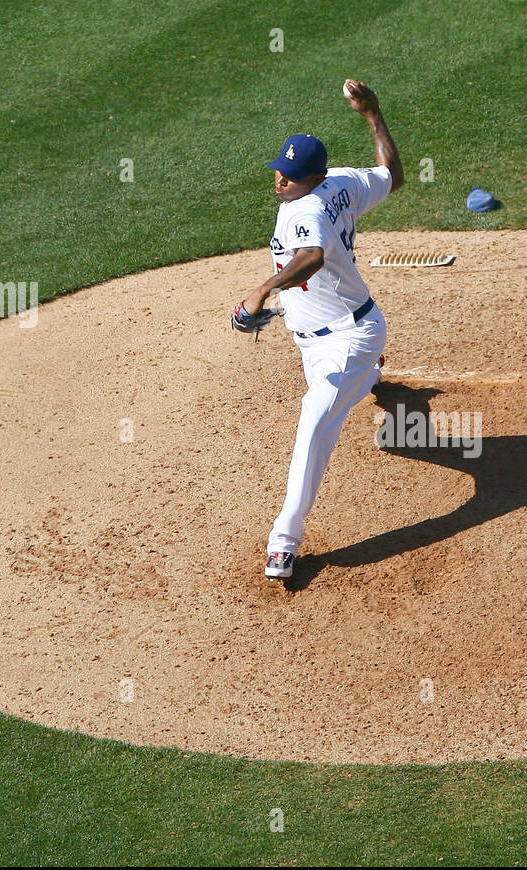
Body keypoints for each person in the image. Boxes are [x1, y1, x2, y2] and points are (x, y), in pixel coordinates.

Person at [237, 79, 404, 579]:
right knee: (340, 393)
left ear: (313, 176)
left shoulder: (306, 208)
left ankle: (283, 540)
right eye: (279, 172)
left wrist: (263, 291)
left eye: (290, 176)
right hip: (328, 332)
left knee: (314, 420)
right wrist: (373, 116)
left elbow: (309, 257)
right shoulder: (342, 182)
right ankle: (369, 378)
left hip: (348, 336)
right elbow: (393, 176)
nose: (280, 182)